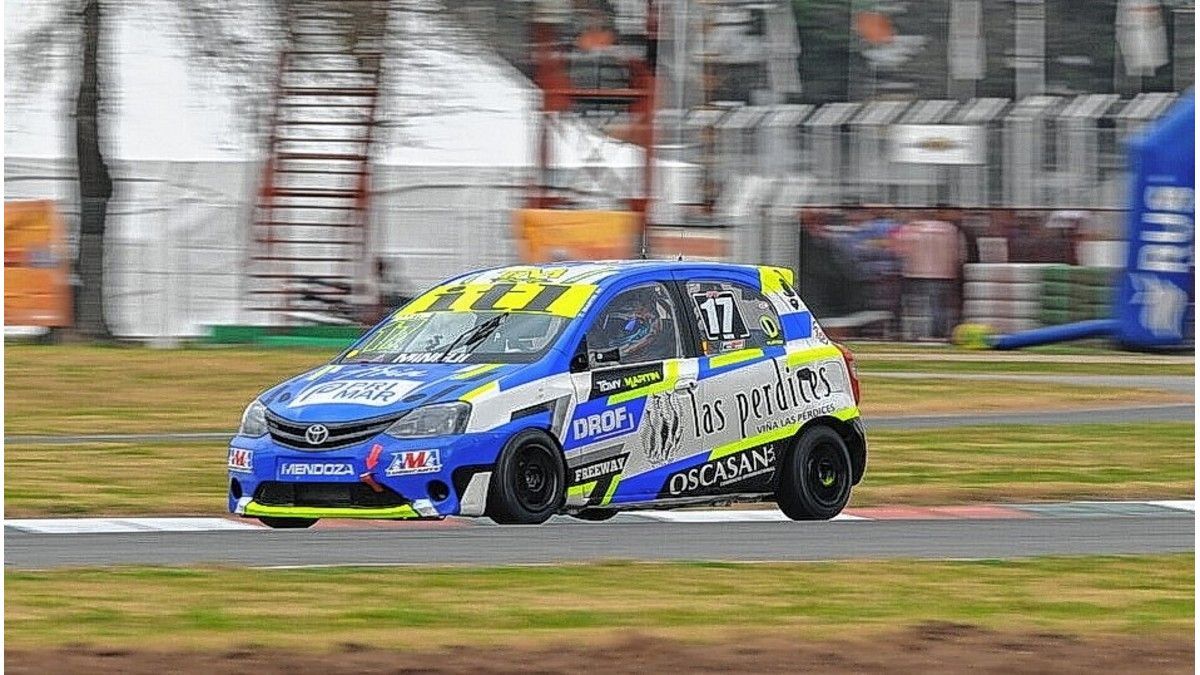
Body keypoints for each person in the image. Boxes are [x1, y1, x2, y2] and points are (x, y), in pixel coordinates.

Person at [897, 215, 966, 340]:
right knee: (939, 307)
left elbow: (901, 252)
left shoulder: (912, 228)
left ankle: (918, 334)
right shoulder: (950, 229)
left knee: (917, 307)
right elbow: (959, 255)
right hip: (945, 275)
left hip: (916, 275)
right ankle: (937, 335)